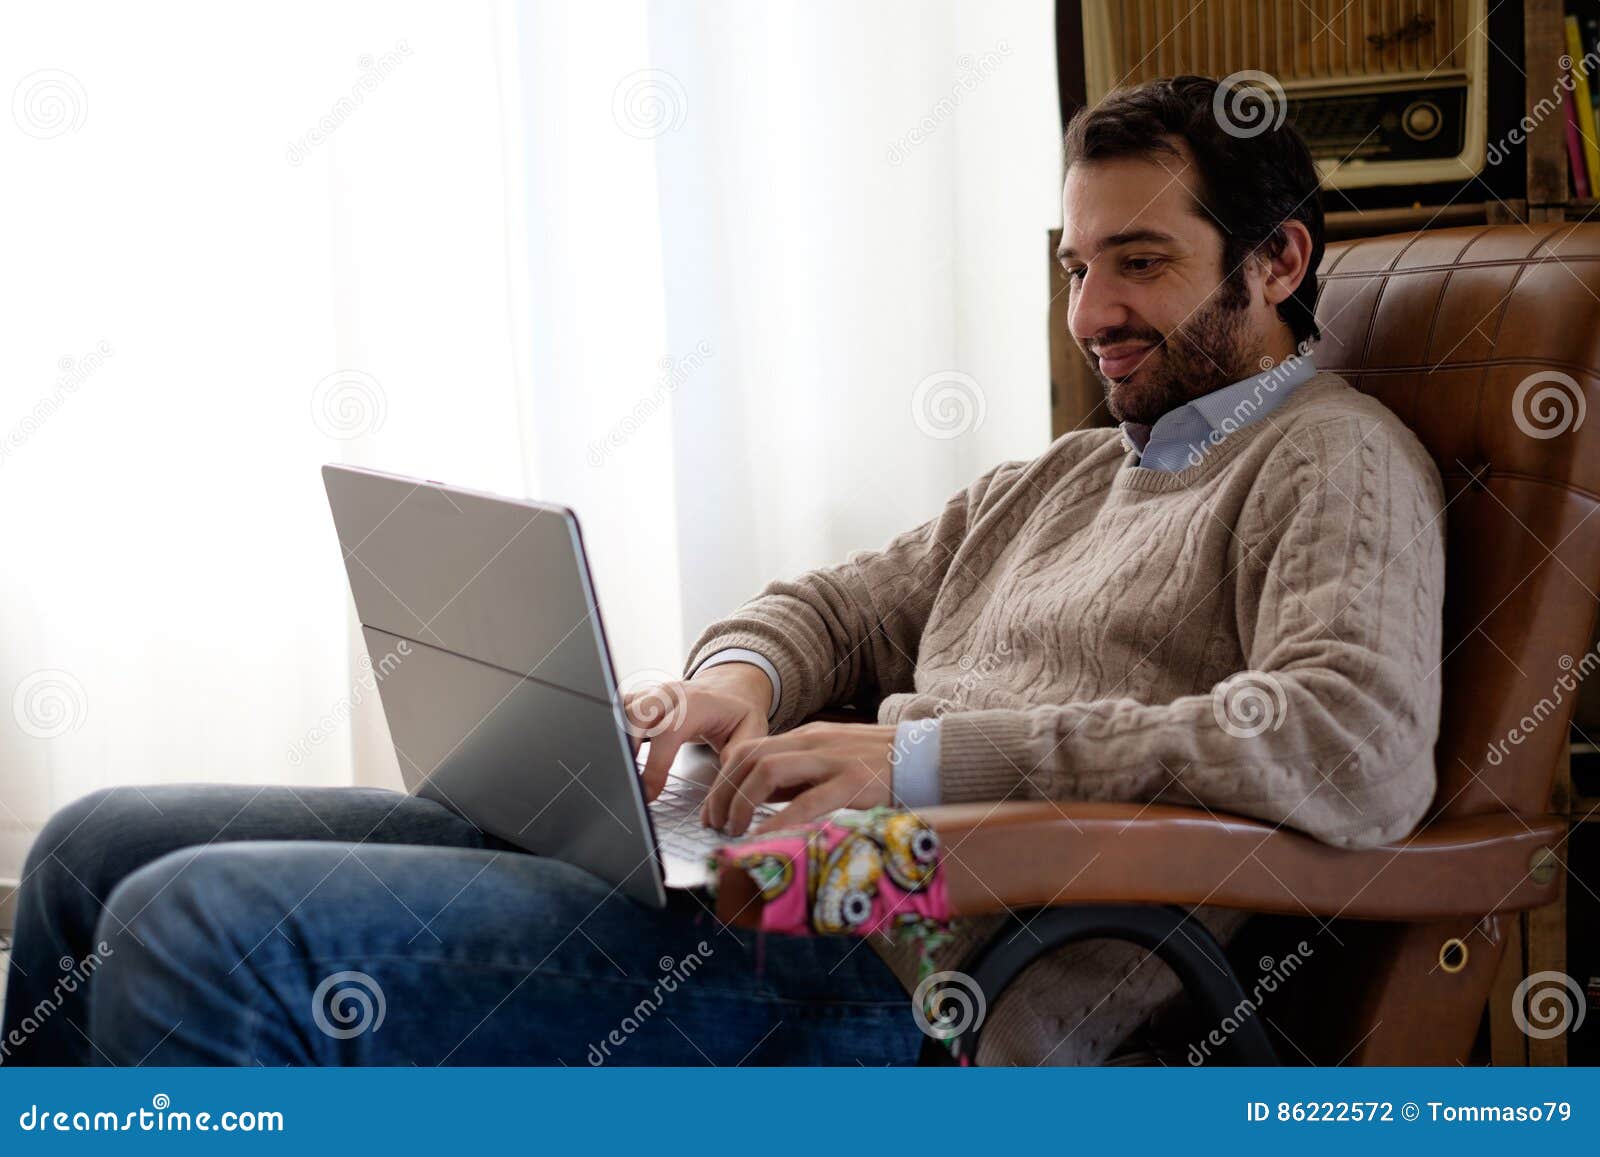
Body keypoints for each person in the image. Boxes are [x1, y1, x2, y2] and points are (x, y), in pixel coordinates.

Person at [1, 75, 1444, 1067]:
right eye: (1075, 268)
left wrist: (916, 765)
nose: (1094, 312)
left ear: (1276, 262)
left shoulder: (1334, 459)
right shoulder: (1064, 475)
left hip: (919, 971)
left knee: (191, 931)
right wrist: (728, 686)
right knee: (93, 846)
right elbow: (831, 606)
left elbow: (1349, 743)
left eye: (1139, 263)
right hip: (786, 883)